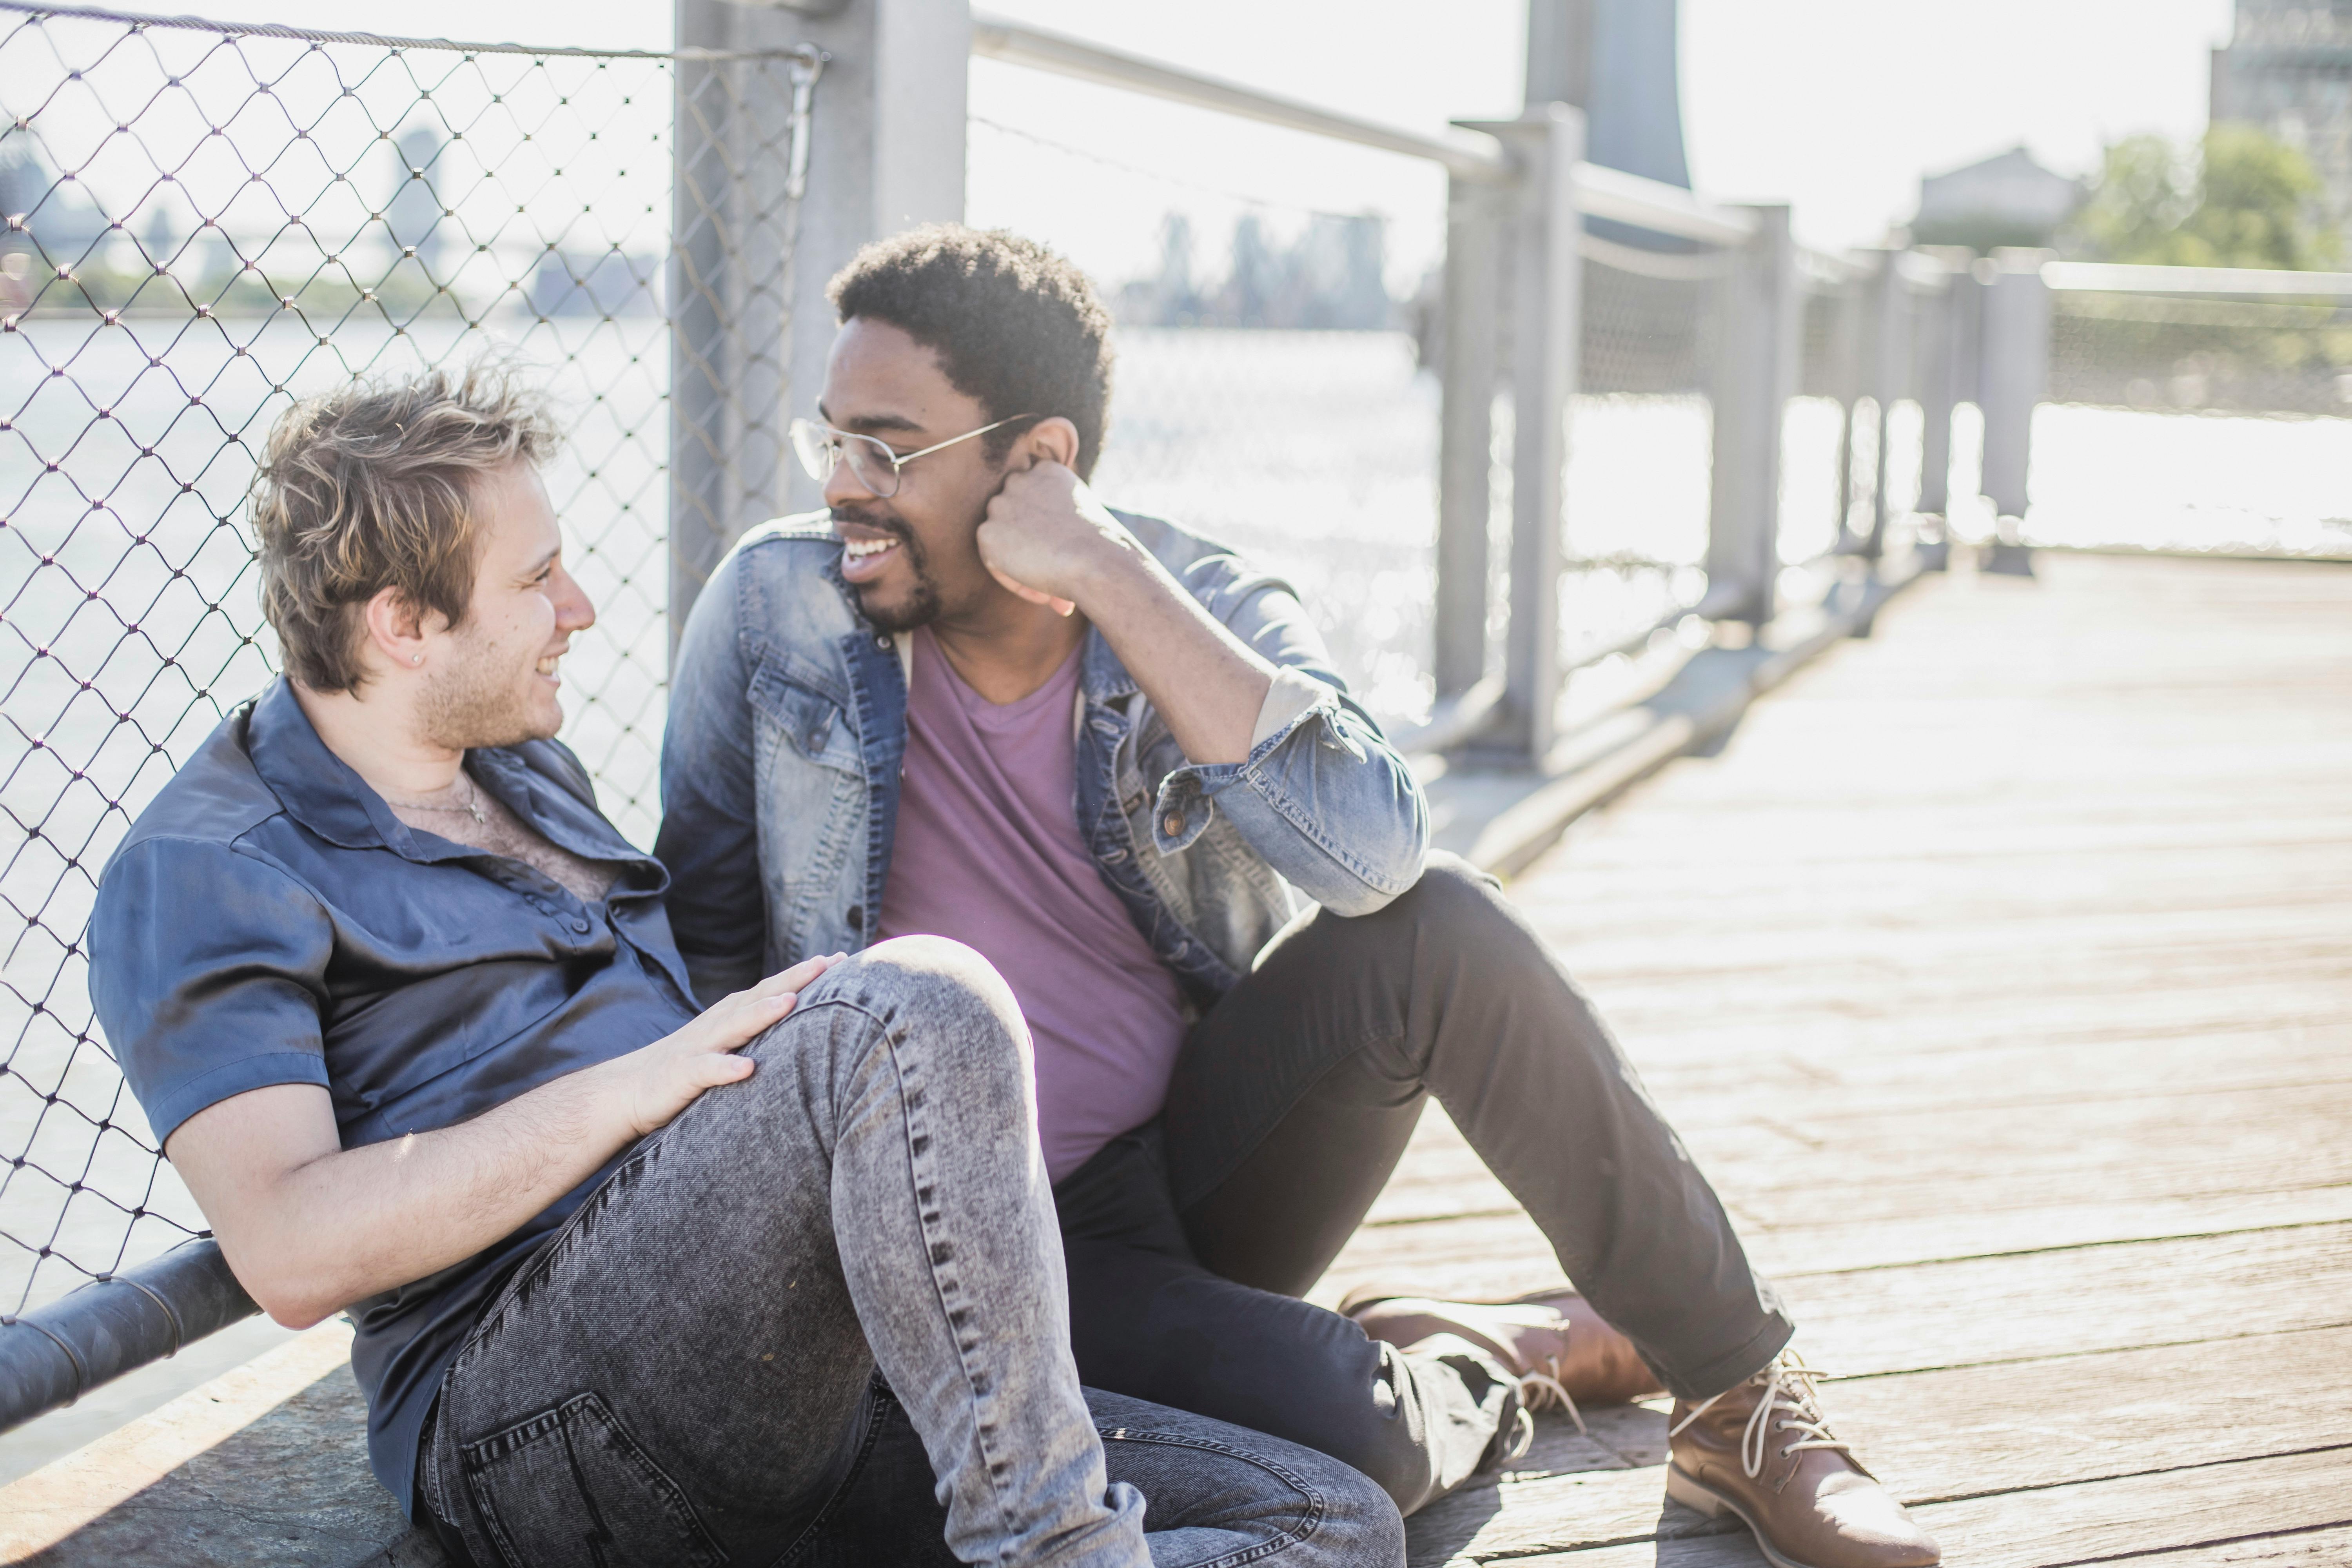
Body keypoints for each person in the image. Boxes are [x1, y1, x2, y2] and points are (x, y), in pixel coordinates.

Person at [657, 225, 1942, 1568]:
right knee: (1362, 1446)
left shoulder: (1188, 597)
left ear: (1036, 463)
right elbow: (694, 946)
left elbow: (1374, 859)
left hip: (1184, 1169)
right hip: (954, 1234)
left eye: (889, 449)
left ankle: (1738, 1399)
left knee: (1443, 924)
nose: (846, 489)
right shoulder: (773, 610)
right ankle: (1476, 1360)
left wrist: (1106, 577)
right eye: (833, 442)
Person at [86, 369, 1407, 1568]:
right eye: (538, 580)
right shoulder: (210, 869)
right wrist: (637, 1090)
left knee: (1327, 1520)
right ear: (402, 625)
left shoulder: (515, 765)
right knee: (906, 1004)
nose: (581, 610)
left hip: (792, 1371)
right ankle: (1053, 1553)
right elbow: (289, 1250)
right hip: (536, 1426)